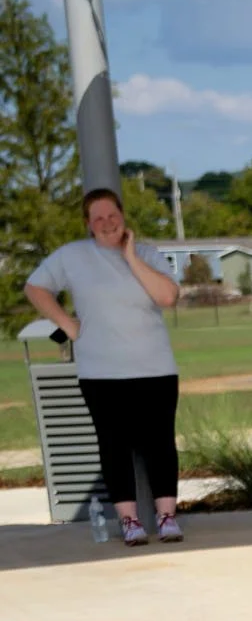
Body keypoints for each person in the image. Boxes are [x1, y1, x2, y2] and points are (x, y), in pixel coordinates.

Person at [23, 188, 184, 547]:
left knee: (160, 444)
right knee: (113, 446)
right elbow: (35, 287)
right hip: (101, 372)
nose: (107, 223)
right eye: (98, 218)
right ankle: (129, 521)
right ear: (88, 224)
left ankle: (167, 516)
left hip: (155, 367)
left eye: (112, 215)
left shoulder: (147, 254)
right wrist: (67, 324)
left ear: (122, 216)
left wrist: (129, 255)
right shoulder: (72, 256)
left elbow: (167, 297)